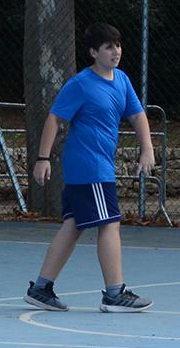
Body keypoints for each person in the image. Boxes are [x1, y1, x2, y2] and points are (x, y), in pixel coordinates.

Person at [25, 23, 157, 313]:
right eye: (108, 46)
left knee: (73, 225)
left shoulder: (121, 81)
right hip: (89, 166)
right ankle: (114, 294)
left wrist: (147, 149)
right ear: (94, 52)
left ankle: (41, 288)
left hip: (96, 167)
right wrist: (43, 158)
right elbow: (54, 119)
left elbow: (137, 116)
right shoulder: (81, 84)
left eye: (118, 45)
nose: (116, 51)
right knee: (110, 223)